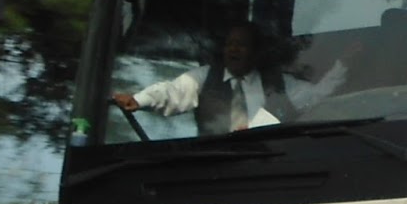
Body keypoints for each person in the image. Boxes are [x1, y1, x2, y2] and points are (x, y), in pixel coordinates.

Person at [112, 22, 347, 133]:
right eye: (230, 44)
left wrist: (345, 64)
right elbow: (172, 92)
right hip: (215, 170)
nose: (234, 50)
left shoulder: (277, 83)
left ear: (255, 51)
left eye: (242, 45)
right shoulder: (204, 77)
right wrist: (140, 99)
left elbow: (317, 95)